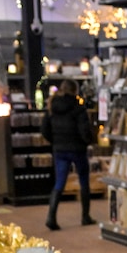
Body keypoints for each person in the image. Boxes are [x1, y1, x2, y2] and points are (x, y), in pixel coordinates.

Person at [40, 79, 96, 231]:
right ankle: (85, 216)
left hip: (60, 150)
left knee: (59, 183)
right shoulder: (78, 108)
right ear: (75, 91)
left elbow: (44, 129)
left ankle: (51, 217)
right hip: (78, 149)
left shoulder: (52, 107)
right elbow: (84, 130)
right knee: (84, 180)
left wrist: (55, 141)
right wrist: (89, 141)